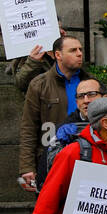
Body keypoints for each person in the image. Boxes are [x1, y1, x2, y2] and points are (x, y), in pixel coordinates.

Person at [19, 35, 84, 194]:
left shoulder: (90, 82)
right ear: (58, 55)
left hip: (85, 158)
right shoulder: (39, 84)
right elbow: (29, 128)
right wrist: (27, 167)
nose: (79, 54)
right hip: (50, 160)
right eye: (73, 50)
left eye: (80, 49)